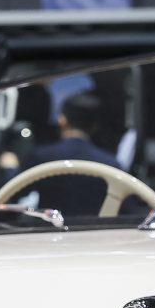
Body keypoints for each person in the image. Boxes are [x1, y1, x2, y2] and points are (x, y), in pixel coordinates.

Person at [20, 89, 124, 219]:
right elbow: (125, 209)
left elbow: (14, 194)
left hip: (49, 229)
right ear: (95, 126)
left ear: (62, 120)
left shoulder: (41, 157)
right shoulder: (111, 164)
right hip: (95, 231)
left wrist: (9, 168)